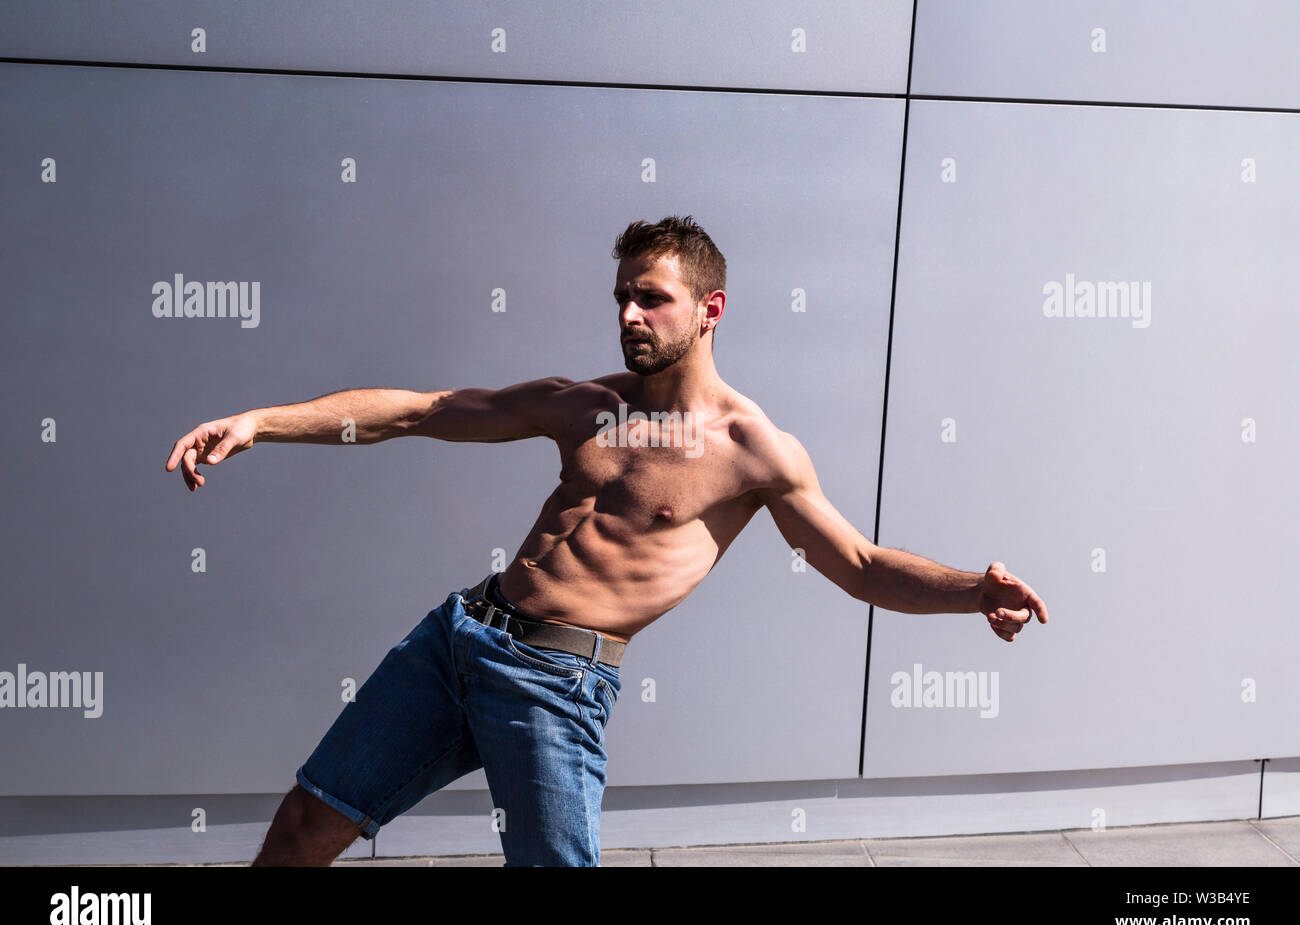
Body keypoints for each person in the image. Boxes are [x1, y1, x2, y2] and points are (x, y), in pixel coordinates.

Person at [164, 215, 1048, 866]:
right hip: (460, 637)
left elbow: (858, 565)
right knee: (304, 824)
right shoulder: (586, 406)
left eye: (651, 299)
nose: (629, 315)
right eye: (622, 296)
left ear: (711, 309)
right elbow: (422, 412)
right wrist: (261, 421)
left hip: (556, 682)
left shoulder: (752, 451)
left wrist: (973, 589)